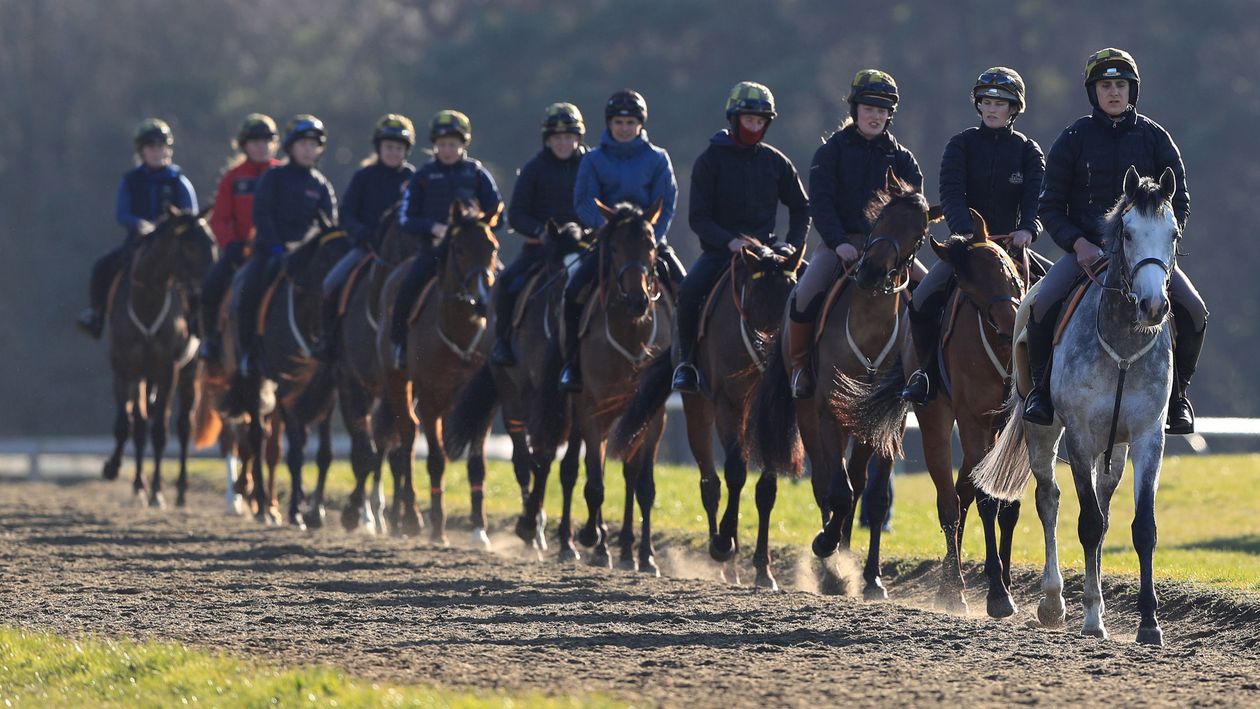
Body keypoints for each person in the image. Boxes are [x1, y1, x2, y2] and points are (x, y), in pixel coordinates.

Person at [1024, 48, 1206, 434]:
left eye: (1120, 85)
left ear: (1131, 90)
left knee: (1194, 311)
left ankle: (1178, 399)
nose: (1113, 92)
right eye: (1105, 85)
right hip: (1087, 254)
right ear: (1094, 92)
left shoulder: (1156, 138)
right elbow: (1050, 205)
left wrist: (1162, 247)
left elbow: (1181, 202)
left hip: (1145, 255)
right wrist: (1077, 244)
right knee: (1040, 309)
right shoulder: (1072, 139)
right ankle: (1039, 393)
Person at [900, 67, 1050, 404]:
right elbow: (951, 194)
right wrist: (965, 232)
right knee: (922, 301)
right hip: (968, 250)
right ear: (979, 106)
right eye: (987, 101)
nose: (993, 108)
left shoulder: (1029, 152)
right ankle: (924, 374)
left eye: (1001, 102)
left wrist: (1028, 228)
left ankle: (1046, 381)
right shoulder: (960, 145)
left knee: (1061, 297)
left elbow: (1036, 201)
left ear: (1015, 109)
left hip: (1013, 247)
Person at [788, 70, 924, 399]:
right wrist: (838, 243)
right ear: (855, 110)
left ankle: (924, 371)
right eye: (869, 109)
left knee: (931, 293)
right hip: (840, 245)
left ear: (890, 115)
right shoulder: (829, 153)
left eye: (882, 110)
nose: (875, 116)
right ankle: (800, 367)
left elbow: (915, 213)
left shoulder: (903, 159)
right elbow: (820, 205)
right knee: (805, 292)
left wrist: (901, 251)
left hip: (890, 252)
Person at [670, 81, 810, 392]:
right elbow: (699, 218)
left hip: (769, 253)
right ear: (734, 119)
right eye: (749, 120)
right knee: (689, 292)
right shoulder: (709, 161)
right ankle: (687, 364)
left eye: (760, 122)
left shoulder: (776, 162)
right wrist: (729, 242)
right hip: (721, 252)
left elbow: (802, 208)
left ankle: (806, 362)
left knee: (813, 285)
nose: (754, 127)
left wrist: (791, 243)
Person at [557, 89, 684, 391]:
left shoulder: (658, 158)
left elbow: (667, 200)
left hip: (648, 241)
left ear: (640, 124)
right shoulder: (593, 160)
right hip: (609, 242)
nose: (624, 127)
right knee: (572, 292)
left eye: (630, 122)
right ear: (609, 124)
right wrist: (604, 228)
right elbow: (584, 201)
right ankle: (571, 365)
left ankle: (687, 364)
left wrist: (653, 236)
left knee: (687, 289)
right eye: (618, 122)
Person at [389, 110, 502, 369]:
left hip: (474, 253)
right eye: (441, 145)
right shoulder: (424, 176)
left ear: (463, 145)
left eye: (452, 144)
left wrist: (477, 225)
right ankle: (398, 345)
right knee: (407, 287)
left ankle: (502, 344)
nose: (447, 150)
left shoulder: (477, 174)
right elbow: (407, 218)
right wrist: (433, 227)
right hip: (435, 251)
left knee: (502, 289)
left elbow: (498, 212)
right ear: (434, 146)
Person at [235, 115, 337, 378]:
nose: (308, 149)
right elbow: (262, 214)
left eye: (313, 145)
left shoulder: (321, 185)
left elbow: (329, 226)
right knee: (248, 292)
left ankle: (330, 347)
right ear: (290, 147)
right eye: (302, 144)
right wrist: (277, 248)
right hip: (270, 252)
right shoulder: (274, 176)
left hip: (307, 258)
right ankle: (249, 353)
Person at [77, 118, 197, 339]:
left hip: (173, 248)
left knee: (196, 275)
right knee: (101, 267)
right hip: (138, 243)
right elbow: (122, 214)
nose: (156, 152)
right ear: (142, 151)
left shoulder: (179, 182)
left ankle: (197, 322)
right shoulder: (131, 181)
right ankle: (96, 316)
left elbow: (191, 216)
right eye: (151, 147)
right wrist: (140, 225)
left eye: (161, 146)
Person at [490, 102, 588, 366]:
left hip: (585, 246)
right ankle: (502, 342)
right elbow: (517, 213)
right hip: (543, 247)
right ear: (548, 140)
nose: (563, 143)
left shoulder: (591, 165)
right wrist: (540, 231)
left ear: (578, 138)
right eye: (557, 138)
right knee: (508, 283)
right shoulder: (534, 169)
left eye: (568, 137)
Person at [313, 114, 417, 361]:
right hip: (367, 249)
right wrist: (363, 234)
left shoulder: (414, 179)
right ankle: (328, 339)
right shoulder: (364, 177)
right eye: (389, 147)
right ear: (379, 148)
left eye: (399, 148)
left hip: (406, 254)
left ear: (406, 151)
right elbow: (347, 213)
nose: (393, 152)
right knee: (330, 283)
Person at [198, 114, 280, 363]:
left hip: (276, 251)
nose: (260, 146)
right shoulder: (232, 178)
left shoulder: (282, 175)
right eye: (254, 141)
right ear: (244, 145)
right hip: (240, 253)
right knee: (210, 289)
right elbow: (219, 218)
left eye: (266, 141)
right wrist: (231, 244)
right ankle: (211, 342)